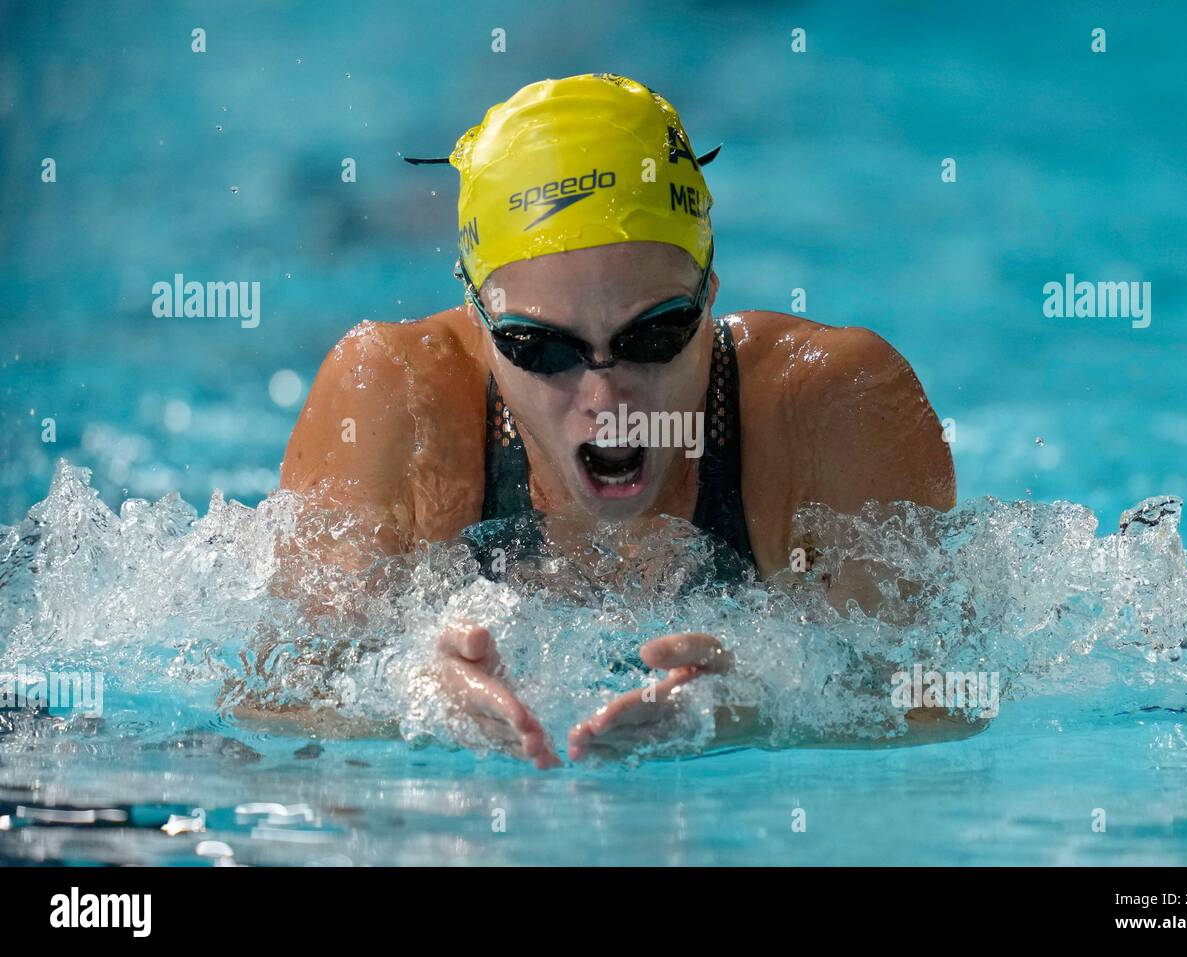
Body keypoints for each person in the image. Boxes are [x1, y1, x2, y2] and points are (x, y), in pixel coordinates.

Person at [272, 74, 959, 767]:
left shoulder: (830, 405)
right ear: (480, 326)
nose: (604, 399)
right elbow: (268, 699)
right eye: (540, 347)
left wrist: (774, 703)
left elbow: (949, 699)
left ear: (709, 293)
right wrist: (407, 692)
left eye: (653, 336)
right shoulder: (395, 397)